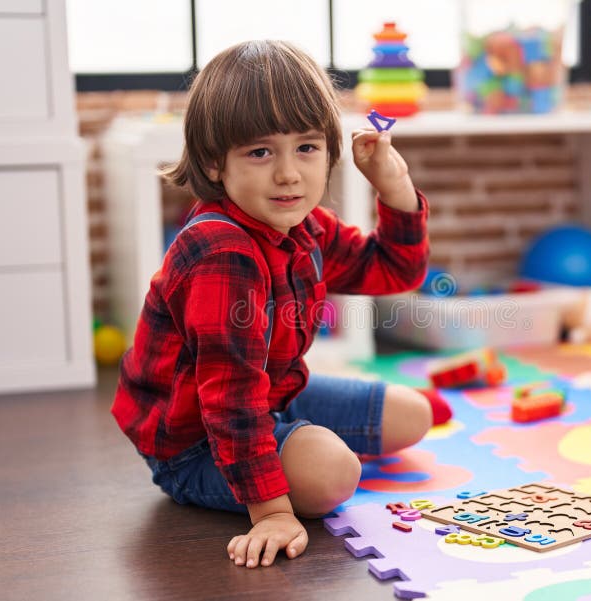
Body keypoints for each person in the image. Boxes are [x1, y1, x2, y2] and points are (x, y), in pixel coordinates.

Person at [112, 40, 436, 570]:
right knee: (332, 473)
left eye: (306, 147)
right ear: (215, 162)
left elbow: (393, 271)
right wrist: (272, 513)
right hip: (195, 442)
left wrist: (395, 186)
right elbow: (229, 397)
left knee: (412, 413)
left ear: (330, 152)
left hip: (272, 396)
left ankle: (292, 440)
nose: (288, 174)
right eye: (260, 152)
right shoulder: (221, 249)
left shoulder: (306, 225)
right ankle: (281, 458)